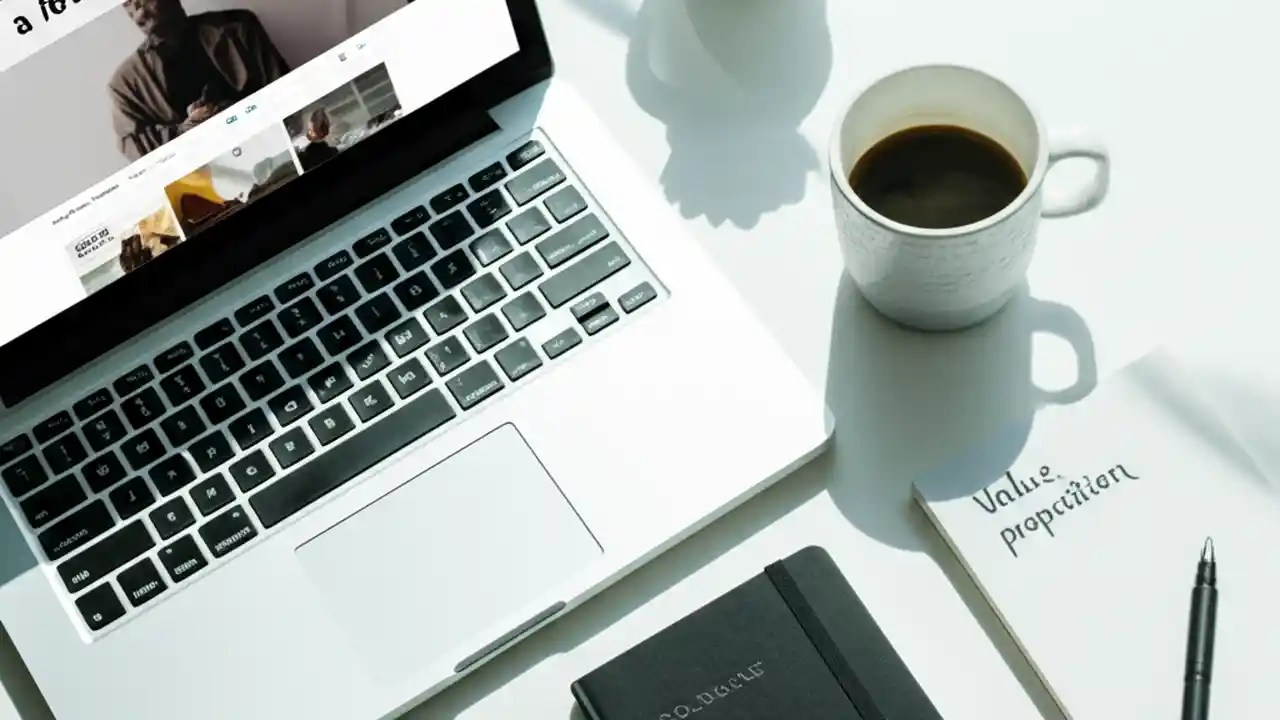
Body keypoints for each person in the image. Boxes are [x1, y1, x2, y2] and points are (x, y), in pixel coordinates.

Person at [110, 0, 290, 160]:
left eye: (144, 0)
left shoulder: (238, 27)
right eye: (127, 4)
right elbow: (134, 148)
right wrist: (184, 131)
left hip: (273, 149)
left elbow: (286, 92)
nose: (139, 14)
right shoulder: (125, 83)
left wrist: (234, 113)